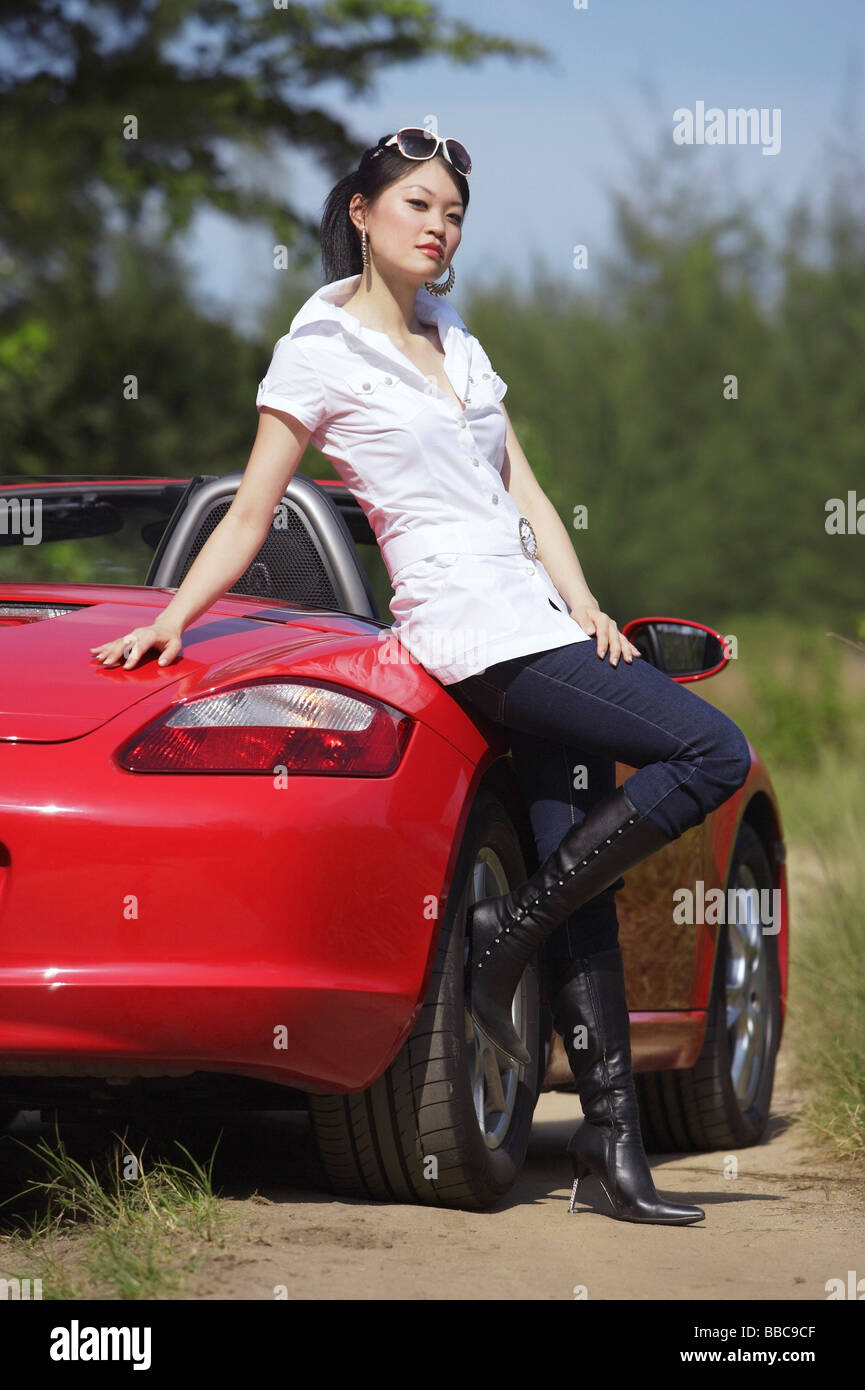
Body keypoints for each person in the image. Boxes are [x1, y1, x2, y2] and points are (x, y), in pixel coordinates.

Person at [90, 126, 752, 1226]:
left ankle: (608, 1150)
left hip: (538, 614)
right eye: (418, 206)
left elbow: (528, 496)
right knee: (710, 749)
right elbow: (253, 510)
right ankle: (501, 941)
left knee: (580, 875)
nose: (439, 227)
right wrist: (170, 619)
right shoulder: (316, 350)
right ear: (362, 213)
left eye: (453, 213)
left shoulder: (461, 341)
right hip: (466, 625)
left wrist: (584, 602)